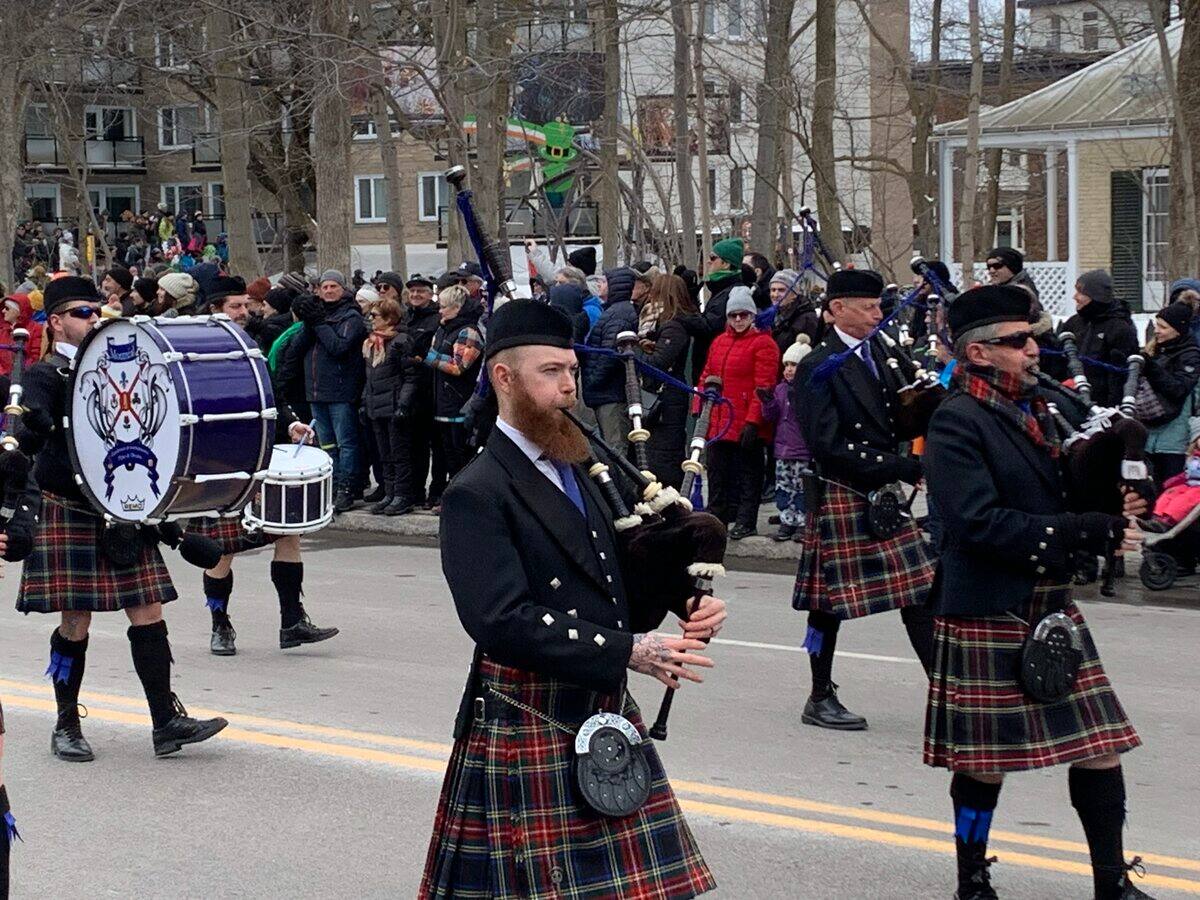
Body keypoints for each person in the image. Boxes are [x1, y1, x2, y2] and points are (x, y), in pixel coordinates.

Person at [419, 298, 721, 899]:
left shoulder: (581, 467)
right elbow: (500, 620)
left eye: (572, 371)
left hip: (598, 704)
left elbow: (613, 589)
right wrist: (628, 650)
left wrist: (681, 596)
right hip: (527, 713)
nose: (568, 387)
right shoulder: (477, 491)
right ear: (504, 378)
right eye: (550, 372)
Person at [923, 284, 1150, 900]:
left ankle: (1112, 884)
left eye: (1032, 338)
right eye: (1018, 340)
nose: (1033, 350)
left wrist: (1112, 481)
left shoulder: (1038, 406)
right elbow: (975, 521)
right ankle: (972, 879)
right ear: (978, 353)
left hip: (1049, 602)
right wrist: (1081, 530)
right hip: (988, 602)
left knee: (1101, 746)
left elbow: (1060, 490)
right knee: (982, 766)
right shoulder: (955, 420)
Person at [10, 276, 227, 760]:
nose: (93, 320)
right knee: (75, 621)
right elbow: (27, 429)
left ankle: (165, 721)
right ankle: (66, 723)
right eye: (82, 313)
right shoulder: (46, 374)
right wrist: (34, 424)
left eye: (97, 311)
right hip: (70, 506)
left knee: (149, 611)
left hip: (123, 505)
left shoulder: (119, 368)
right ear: (56, 322)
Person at [792, 268, 936, 729]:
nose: (878, 314)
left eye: (878, 306)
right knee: (826, 605)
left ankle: (947, 694)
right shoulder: (818, 365)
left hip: (881, 491)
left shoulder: (883, 352)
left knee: (921, 591)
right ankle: (819, 694)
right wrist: (900, 467)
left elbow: (897, 422)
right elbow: (827, 444)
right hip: (843, 489)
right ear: (837, 309)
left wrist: (928, 404)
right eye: (869, 307)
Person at [190, 277, 338, 656]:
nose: (245, 311)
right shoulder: (194, 350)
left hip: (258, 454)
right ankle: (219, 625)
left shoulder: (251, 344)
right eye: (236, 306)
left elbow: (272, 394)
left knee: (286, 532)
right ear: (215, 309)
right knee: (221, 549)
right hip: (219, 459)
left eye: (245, 304)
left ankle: (292, 622)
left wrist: (289, 424)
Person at [696, 286, 780, 538]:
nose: (739, 319)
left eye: (744, 315)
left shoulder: (764, 344)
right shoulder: (719, 342)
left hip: (745, 420)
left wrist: (753, 421)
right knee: (717, 473)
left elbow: (763, 386)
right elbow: (706, 375)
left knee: (748, 474)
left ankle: (746, 520)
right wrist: (699, 406)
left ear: (753, 316)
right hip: (719, 419)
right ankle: (716, 519)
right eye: (734, 315)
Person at [292, 270, 369, 512]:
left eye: (333, 286)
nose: (328, 291)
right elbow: (297, 348)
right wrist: (309, 321)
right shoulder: (318, 316)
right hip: (316, 390)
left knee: (346, 442)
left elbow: (338, 347)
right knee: (326, 444)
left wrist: (318, 323)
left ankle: (347, 487)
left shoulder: (351, 317)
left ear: (343, 289)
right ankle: (332, 485)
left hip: (341, 390)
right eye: (324, 287)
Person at [637, 273, 703, 489]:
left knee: (664, 454)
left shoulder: (673, 327)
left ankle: (669, 495)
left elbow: (659, 363)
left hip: (667, 399)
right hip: (665, 397)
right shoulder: (665, 326)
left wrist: (636, 353)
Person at [422, 284, 483, 489]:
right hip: (442, 402)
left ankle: (463, 493)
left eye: (443, 307)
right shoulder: (443, 329)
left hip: (459, 403)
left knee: (460, 454)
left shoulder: (469, 332)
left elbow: (459, 366)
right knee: (446, 454)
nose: (440, 311)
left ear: (457, 308)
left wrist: (427, 355)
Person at [1052, 270, 1139, 408]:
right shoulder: (1074, 323)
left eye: (1080, 292)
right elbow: (1058, 361)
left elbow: (1120, 375)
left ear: (1095, 296)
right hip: (1070, 399)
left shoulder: (1120, 328)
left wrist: (1113, 409)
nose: (1075, 297)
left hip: (1103, 406)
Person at [362, 296, 415, 515]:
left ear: (389, 318)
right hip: (377, 405)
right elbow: (370, 377)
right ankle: (390, 492)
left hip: (394, 406)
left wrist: (403, 404)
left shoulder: (400, 341)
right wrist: (365, 401)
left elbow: (411, 376)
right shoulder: (372, 343)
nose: (370, 319)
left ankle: (403, 494)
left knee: (399, 454)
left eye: (375, 315)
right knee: (384, 454)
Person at [395, 273, 443, 509]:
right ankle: (414, 490)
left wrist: (416, 358)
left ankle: (433, 490)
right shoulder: (405, 317)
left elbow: (427, 354)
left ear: (430, 294)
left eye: (420, 291)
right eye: (412, 291)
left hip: (427, 389)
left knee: (428, 445)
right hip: (405, 387)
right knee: (412, 445)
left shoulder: (436, 319)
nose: (415, 295)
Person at [759, 335, 812, 541]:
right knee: (783, 487)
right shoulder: (780, 389)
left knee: (801, 488)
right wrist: (768, 402)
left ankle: (802, 522)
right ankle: (787, 520)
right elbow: (772, 416)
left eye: (794, 365)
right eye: (787, 365)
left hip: (802, 450)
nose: (789, 369)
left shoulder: (808, 390)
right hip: (782, 450)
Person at [1141, 301, 1200, 484]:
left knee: (1170, 484)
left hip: (1175, 439)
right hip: (1150, 434)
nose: (1157, 331)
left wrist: (1151, 369)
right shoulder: (1158, 351)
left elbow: (1179, 389)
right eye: (1156, 325)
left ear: (1178, 330)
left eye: (1163, 327)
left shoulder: (1191, 356)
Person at [581, 266, 639, 446]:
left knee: (615, 445)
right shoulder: (612, 311)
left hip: (610, 392)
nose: (600, 284)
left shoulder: (619, 315)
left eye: (605, 281)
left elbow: (609, 354)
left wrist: (593, 381)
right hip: (605, 391)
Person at [693, 237, 746, 372]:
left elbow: (710, 327)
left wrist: (682, 314)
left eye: (713, 258)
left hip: (717, 369)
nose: (708, 261)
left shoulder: (733, 292)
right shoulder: (720, 290)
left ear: (726, 264)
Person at [768, 268, 820, 356]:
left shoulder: (807, 319)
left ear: (794, 293)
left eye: (781, 290)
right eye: (773, 290)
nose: (775, 295)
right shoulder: (771, 316)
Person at [0, 294, 43, 373]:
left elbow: (35, 357)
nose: (3, 311)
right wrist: (3, 374)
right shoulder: (2, 331)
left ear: (18, 311)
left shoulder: (35, 329)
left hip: (25, 376)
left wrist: (19, 373)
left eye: (7, 308)